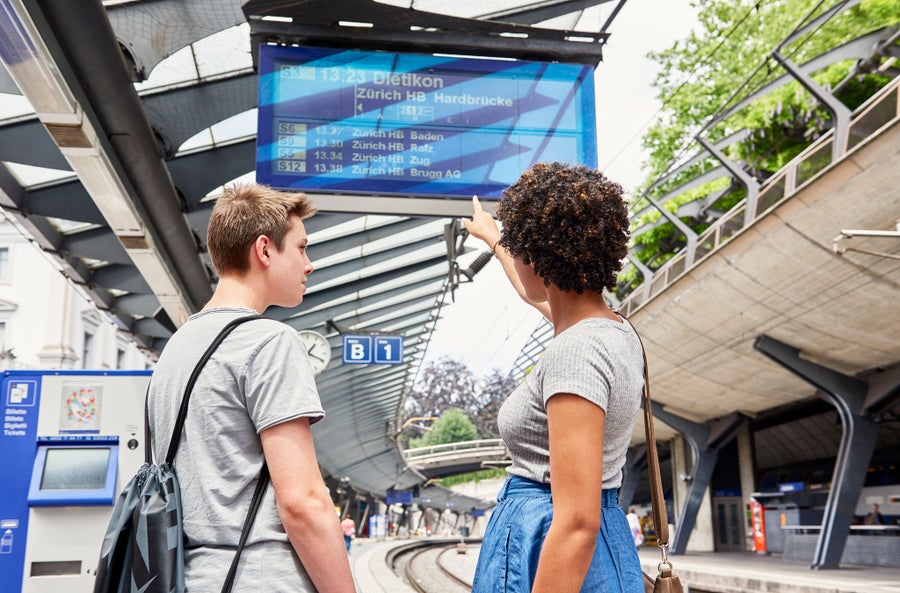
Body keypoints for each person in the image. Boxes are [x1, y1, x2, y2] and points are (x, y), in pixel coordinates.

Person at [148, 183, 355, 593]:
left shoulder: (177, 347)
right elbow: (303, 502)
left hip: (187, 576)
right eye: (301, 248)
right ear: (264, 250)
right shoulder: (270, 342)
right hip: (258, 577)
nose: (309, 264)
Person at [464, 162, 645, 593]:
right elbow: (535, 297)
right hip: (597, 540)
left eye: (518, 244)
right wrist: (493, 238)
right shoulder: (612, 331)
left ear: (539, 257)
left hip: (550, 540)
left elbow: (578, 523)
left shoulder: (576, 351)